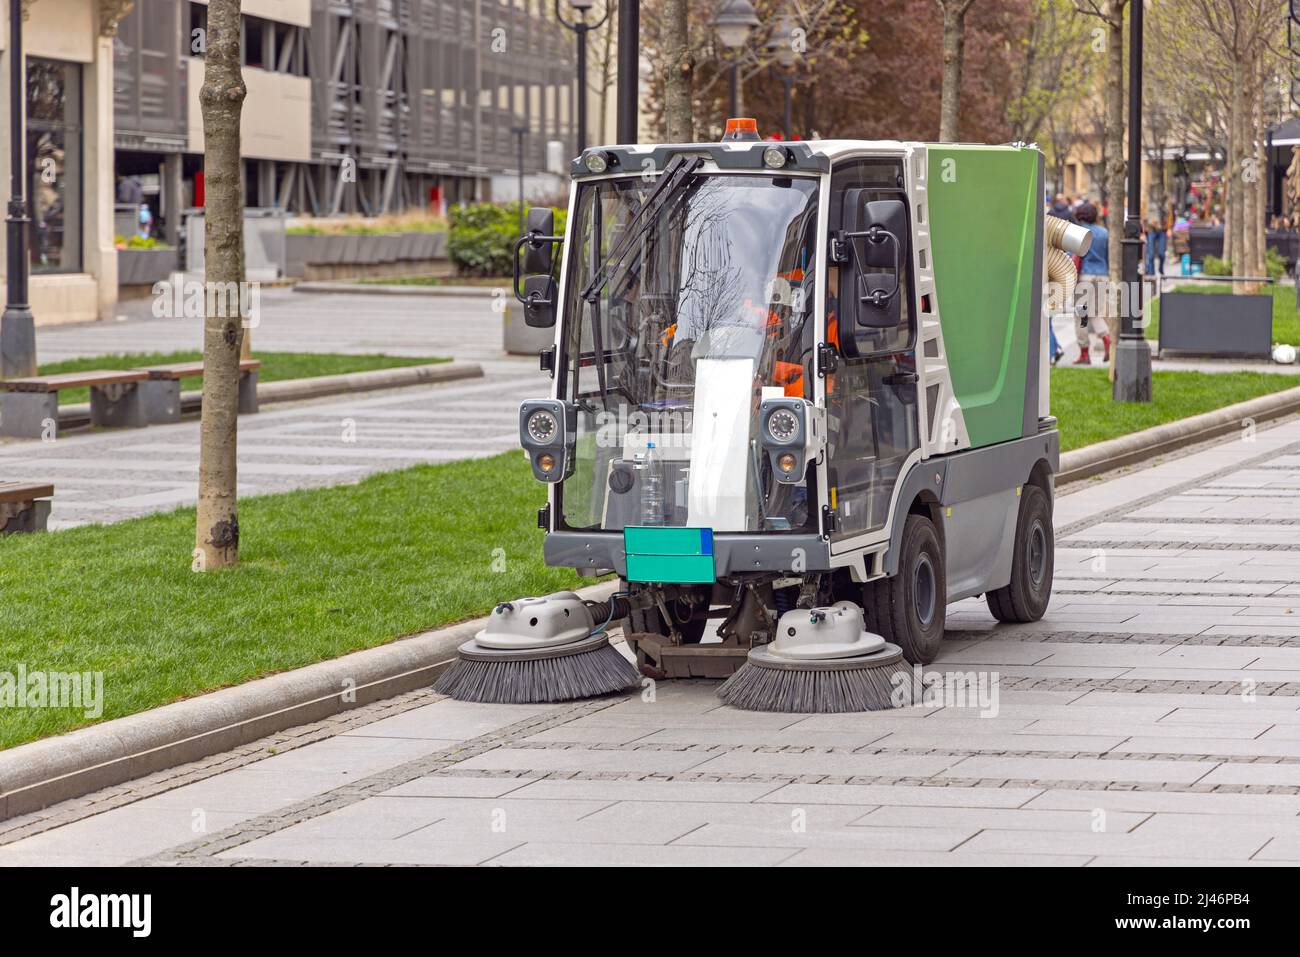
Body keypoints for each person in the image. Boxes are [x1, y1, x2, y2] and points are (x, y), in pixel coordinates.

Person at [1073, 201, 1109, 365]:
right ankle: (1107, 340)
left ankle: (1084, 353)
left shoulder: (1079, 233)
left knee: (1081, 316)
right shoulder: (1104, 233)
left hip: (1085, 277)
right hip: (1103, 276)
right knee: (1096, 314)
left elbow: (1074, 256)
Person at [1144, 202, 1168, 278]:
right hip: (1151, 230)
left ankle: (1161, 269)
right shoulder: (1147, 199)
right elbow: (1144, 216)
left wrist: (1169, 227)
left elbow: (1169, 214)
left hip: (1161, 230)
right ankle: (1151, 274)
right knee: (1150, 255)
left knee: (1162, 254)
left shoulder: (1164, 199)